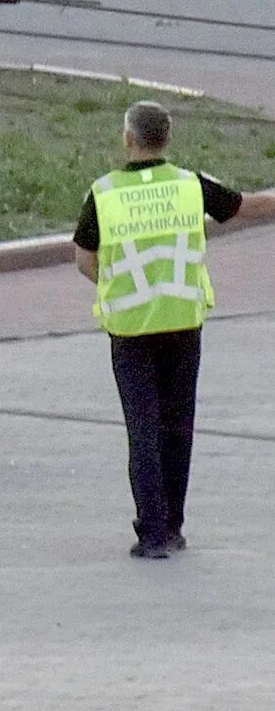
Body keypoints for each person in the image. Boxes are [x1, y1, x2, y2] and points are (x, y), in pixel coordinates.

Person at [73, 100, 275, 558]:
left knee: (142, 427)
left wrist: (118, 284)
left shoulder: (103, 194)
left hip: (130, 329)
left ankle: (152, 533)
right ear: (167, 138)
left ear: (128, 139)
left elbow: (85, 259)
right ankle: (175, 525)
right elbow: (245, 205)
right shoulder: (189, 185)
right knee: (178, 426)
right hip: (183, 323)